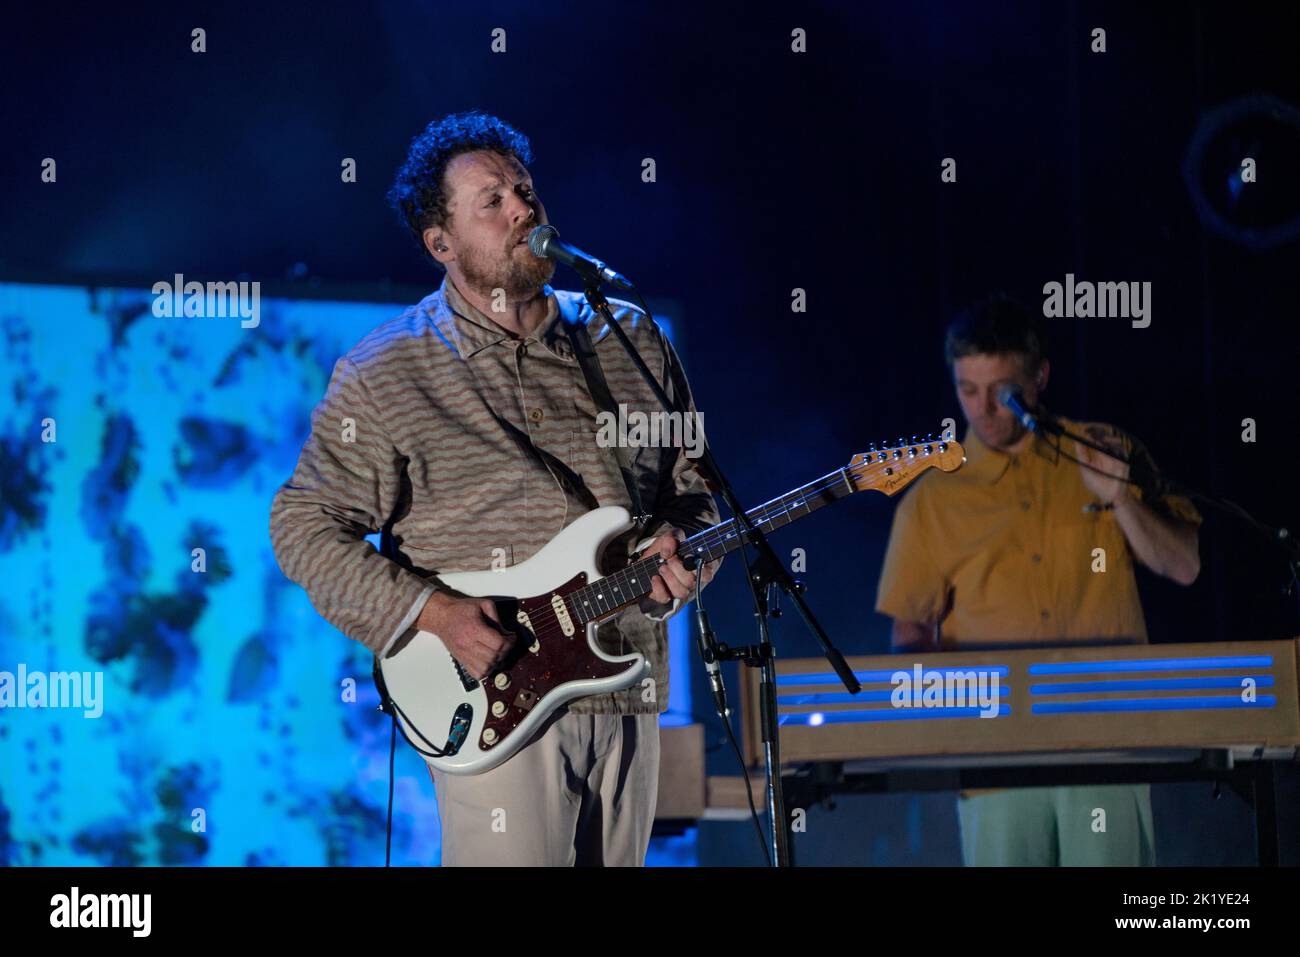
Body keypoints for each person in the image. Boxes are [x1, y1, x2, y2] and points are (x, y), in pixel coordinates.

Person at [270, 111, 721, 866]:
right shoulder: (387, 371)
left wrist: (685, 562)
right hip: (497, 703)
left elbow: (696, 489)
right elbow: (304, 526)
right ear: (440, 244)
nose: (522, 208)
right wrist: (432, 614)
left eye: (525, 189)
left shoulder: (634, 339)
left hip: (632, 685)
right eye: (493, 201)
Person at [875, 295, 1202, 866]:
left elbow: (1184, 565)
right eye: (967, 390)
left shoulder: (1105, 450)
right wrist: (951, 730)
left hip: (1109, 746)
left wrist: (1120, 496)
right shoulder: (932, 497)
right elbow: (910, 637)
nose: (984, 410)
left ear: (1040, 376)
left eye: (1003, 392)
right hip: (996, 766)